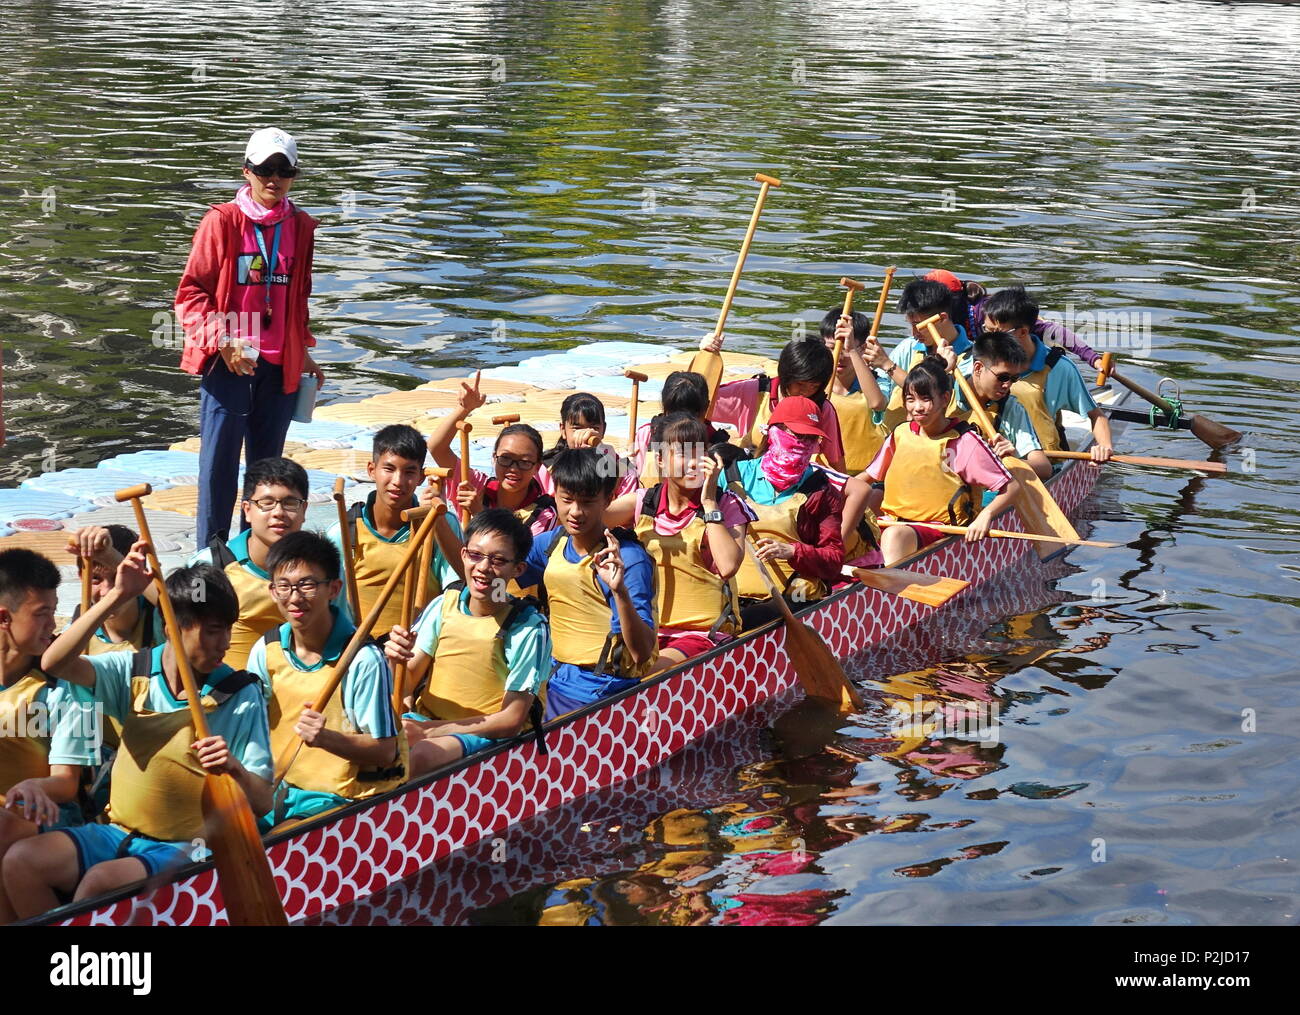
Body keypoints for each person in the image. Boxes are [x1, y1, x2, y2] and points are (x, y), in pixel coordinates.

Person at [8, 559, 272, 919]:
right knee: (21, 862)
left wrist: (234, 768)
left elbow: (262, 803)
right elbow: (55, 662)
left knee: (99, 883)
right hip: (116, 833)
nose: (224, 643)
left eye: (228, 629)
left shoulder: (241, 694)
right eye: (212, 630)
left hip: (192, 847)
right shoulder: (131, 670)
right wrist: (117, 594)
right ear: (173, 628)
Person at [175, 127, 326, 547]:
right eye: (264, 169)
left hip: (278, 365)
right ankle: (212, 560)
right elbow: (191, 295)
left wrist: (304, 350)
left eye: (283, 170)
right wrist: (223, 341)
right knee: (219, 468)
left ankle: (255, 557)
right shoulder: (222, 221)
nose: (273, 178)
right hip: (229, 362)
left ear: (294, 174)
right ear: (247, 171)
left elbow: (296, 299)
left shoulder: (300, 226)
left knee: (266, 473)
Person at [247, 532, 404, 831]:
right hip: (274, 790)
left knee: (269, 850)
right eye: (284, 586)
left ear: (334, 589)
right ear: (272, 591)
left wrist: (325, 738)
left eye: (307, 585)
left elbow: (385, 751)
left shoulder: (363, 659)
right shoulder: (265, 649)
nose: (294, 598)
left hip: (334, 799)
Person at [384, 509, 551, 778]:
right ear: (463, 555)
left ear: (518, 569)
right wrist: (394, 660)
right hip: (426, 722)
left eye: (498, 560)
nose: (483, 568)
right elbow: (405, 683)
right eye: (475, 555)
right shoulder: (442, 605)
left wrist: (429, 732)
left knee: (421, 756)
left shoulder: (528, 627)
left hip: (484, 735)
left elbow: (511, 720)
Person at [516, 448, 657, 720]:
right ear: (554, 493)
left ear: (608, 500)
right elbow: (491, 570)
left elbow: (641, 653)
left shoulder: (628, 559)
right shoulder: (551, 543)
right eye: (567, 499)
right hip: (550, 677)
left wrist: (620, 592)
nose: (575, 512)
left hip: (601, 689)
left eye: (588, 502)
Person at [606, 413, 753, 671]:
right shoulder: (643, 502)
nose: (693, 462)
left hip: (703, 636)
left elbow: (729, 565)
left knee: (643, 672)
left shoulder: (727, 504)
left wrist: (709, 502)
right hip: (646, 630)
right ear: (661, 460)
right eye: (683, 453)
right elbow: (587, 520)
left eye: (699, 453)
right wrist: (589, 468)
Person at [0, 550, 98, 924]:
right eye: (41, 614)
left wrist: (30, 786)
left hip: (52, 815)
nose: (52, 625)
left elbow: (67, 783)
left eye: (54, 611)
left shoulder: (66, 683)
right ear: (4, 618)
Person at [862, 358, 1022, 566]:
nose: (917, 407)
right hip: (892, 522)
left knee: (894, 536)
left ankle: (886, 589)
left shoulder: (964, 441)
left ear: (945, 399)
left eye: (926, 399)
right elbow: (867, 477)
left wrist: (986, 515)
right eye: (911, 399)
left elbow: (1012, 487)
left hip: (938, 530)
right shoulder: (900, 433)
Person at [326, 424, 461, 638]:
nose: (398, 482)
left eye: (409, 472)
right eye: (389, 469)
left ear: (421, 478)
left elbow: (462, 585)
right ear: (372, 470)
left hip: (417, 652)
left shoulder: (440, 522)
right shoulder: (342, 530)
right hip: (358, 652)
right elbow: (327, 606)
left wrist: (438, 521)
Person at [723, 397, 846, 629]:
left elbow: (834, 560)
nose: (802, 444)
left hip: (793, 594)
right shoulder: (732, 476)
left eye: (811, 438)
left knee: (754, 618)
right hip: (732, 589)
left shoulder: (821, 491)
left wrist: (791, 550)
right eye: (796, 435)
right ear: (773, 432)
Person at [190, 456, 309, 667]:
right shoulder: (209, 565)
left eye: (290, 503)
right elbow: (184, 626)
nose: (279, 513)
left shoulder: (319, 567)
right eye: (267, 503)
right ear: (247, 510)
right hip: (227, 693)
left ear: (304, 510)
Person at [981, 286, 1113, 462]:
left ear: (1023, 332)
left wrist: (1103, 448)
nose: (988, 340)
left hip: (1042, 465)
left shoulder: (1060, 368)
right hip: (990, 461)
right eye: (986, 331)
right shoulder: (980, 361)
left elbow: (1097, 416)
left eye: (996, 333)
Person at [427, 374, 558, 537]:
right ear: (494, 457)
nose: (513, 469)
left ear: (537, 467)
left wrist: (479, 512)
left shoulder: (544, 513)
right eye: (505, 459)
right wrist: (465, 409)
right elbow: (437, 448)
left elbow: (513, 557)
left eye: (524, 462)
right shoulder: (478, 487)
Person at [700, 335, 847, 471]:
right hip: (748, 477)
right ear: (786, 374)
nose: (806, 392)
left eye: (814, 386)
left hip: (796, 485)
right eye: (800, 384)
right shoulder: (753, 390)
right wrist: (705, 354)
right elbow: (694, 401)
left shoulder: (823, 409)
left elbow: (836, 460)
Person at [927, 269, 1103, 369]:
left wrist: (1093, 358)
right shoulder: (939, 321)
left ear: (954, 300)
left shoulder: (988, 312)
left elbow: (1053, 331)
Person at [866, 278, 974, 434]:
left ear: (942, 318)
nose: (914, 333)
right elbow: (882, 385)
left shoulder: (971, 358)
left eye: (918, 326)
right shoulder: (909, 346)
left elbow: (939, 398)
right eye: (911, 325)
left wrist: (887, 364)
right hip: (898, 441)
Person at [947, 330, 1053, 480]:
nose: (1007, 385)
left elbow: (1044, 467)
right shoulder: (943, 394)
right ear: (978, 368)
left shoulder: (1012, 408)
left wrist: (1011, 461)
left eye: (1014, 378)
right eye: (1002, 377)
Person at [66, 524, 162, 655]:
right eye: (95, 578)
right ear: (81, 577)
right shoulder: (75, 630)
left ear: (140, 577)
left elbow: (185, 608)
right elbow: (49, 663)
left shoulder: (160, 620)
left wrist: (111, 556)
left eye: (118, 576)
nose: (106, 591)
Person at [630, 371, 738, 484]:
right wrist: (630, 468)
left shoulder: (718, 447)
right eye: (676, 415)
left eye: (692, 416)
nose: (684, 423)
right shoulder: (647, 434)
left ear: (706, 408)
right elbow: (638, 480)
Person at [820, 308, 887, 475]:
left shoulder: (879, 381)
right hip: (819, 469)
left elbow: (877, 404)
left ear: (863, 348)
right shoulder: (814, 381)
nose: (839, 356)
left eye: (845, 348)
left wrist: (852, 351)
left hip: (863, 474)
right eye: (832, 348)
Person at [538, 392, 638, 497]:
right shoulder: (546, 468)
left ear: (603, 430)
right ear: (563, 430)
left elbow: (627, 508)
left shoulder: (623, 468)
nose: (586, 435)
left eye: (594, 428)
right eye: (577, 428)